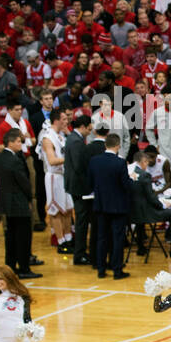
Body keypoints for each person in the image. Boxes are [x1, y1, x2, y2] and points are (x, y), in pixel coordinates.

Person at [0, 130, 40, 279]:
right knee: (23, 237)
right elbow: (23, 182)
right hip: (18, 203)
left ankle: (11, 267)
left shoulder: (0, 158)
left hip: (6, 204)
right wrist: (30, 198)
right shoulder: (15, 160)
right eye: (19, 141)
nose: (21, 144)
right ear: (11, 142)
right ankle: (24, 268)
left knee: (11, 237)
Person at [89, 134, 131, 280]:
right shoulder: (120, 163)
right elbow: (126, 185)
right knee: (118, 238)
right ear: (118, 145)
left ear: (105, 145)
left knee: (102, 238)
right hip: (118, 206)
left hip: (100, 205)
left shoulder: (94, 161)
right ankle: (117, 270)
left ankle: (101, 269)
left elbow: (90, 182)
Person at [37, 108, 73, 255]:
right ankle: (60, 241)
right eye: (64, 119)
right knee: (56, 210)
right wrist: (70, 159)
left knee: (68, 209)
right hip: (53, 177)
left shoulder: (61, 135)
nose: (67, 122)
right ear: (57, 120)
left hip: (64, 175)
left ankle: (69, 238)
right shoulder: (47, 137)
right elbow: (51, 160)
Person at [62, 117, 95, 267]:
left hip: (75, 185)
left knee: (82, 220)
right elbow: (79, 166)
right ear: (82, 126)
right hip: (79, 187)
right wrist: (88, 187)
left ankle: (80, 251)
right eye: (89, 128)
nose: (90, 131)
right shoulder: (76, 141)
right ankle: (79, 254)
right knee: (82, 221)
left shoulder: (73, 138)